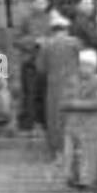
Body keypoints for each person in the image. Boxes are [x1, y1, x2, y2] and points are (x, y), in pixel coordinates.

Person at [63, 49, 97, 193]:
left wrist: (76, 104)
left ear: (94, 67)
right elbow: (64, 100)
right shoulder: (72, 80)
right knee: (72, 155)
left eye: (88, 65)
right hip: (74, 125)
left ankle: (88, 183)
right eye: (82, 65)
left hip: (93, 125)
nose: (84, 68)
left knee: (89, 156)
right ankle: (74, 179)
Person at [39, 11, 83, 160]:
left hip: (54, 85)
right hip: (73, 84)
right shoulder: (76, 43)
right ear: (66, 28)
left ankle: (57, 151)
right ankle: (74, 149)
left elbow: (41, 68)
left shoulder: (46, 45)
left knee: (54, 118)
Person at [14, 0, 53, 132]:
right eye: (37, 2)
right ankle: (27, 125)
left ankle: (44, 122)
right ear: (32, 4)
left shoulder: (51, 20)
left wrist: (47, 42)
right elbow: (16, 40)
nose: (40, 5)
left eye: (43, 2)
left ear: (47, 4)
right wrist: (34, 41)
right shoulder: (26, 19)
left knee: (45, 94)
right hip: (29, 62)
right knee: (29, 94)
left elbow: (57, 38)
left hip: (47, 63)